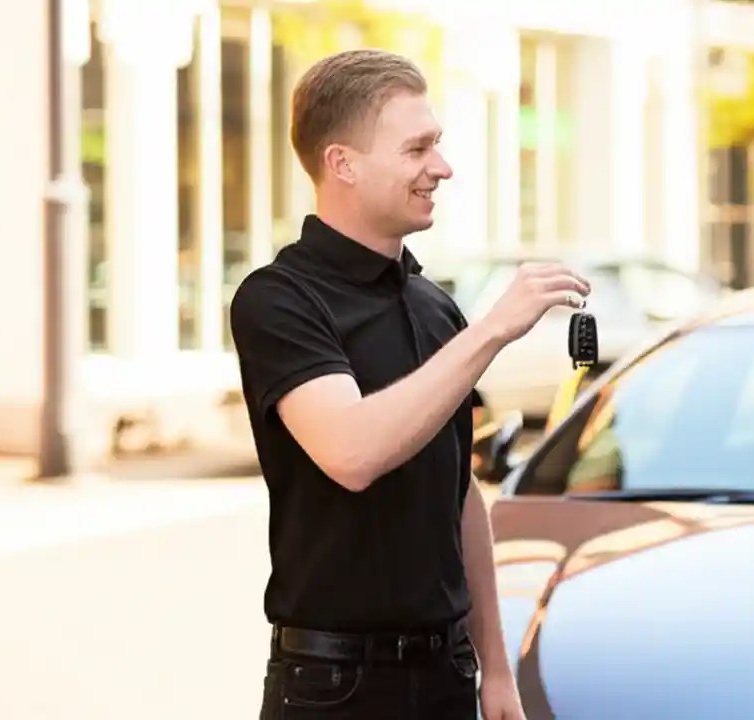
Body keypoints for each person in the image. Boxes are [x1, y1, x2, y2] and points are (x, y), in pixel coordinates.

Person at [229, 49, 589, 720]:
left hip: (448, 674)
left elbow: (461, 494)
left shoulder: (434, 306)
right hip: (333, 688)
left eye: (437, 145)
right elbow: (352, 453)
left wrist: (496, 670)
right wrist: (492, 331)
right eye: (417, 148)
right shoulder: (278, 300)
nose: (442, 167)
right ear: (342, 163)